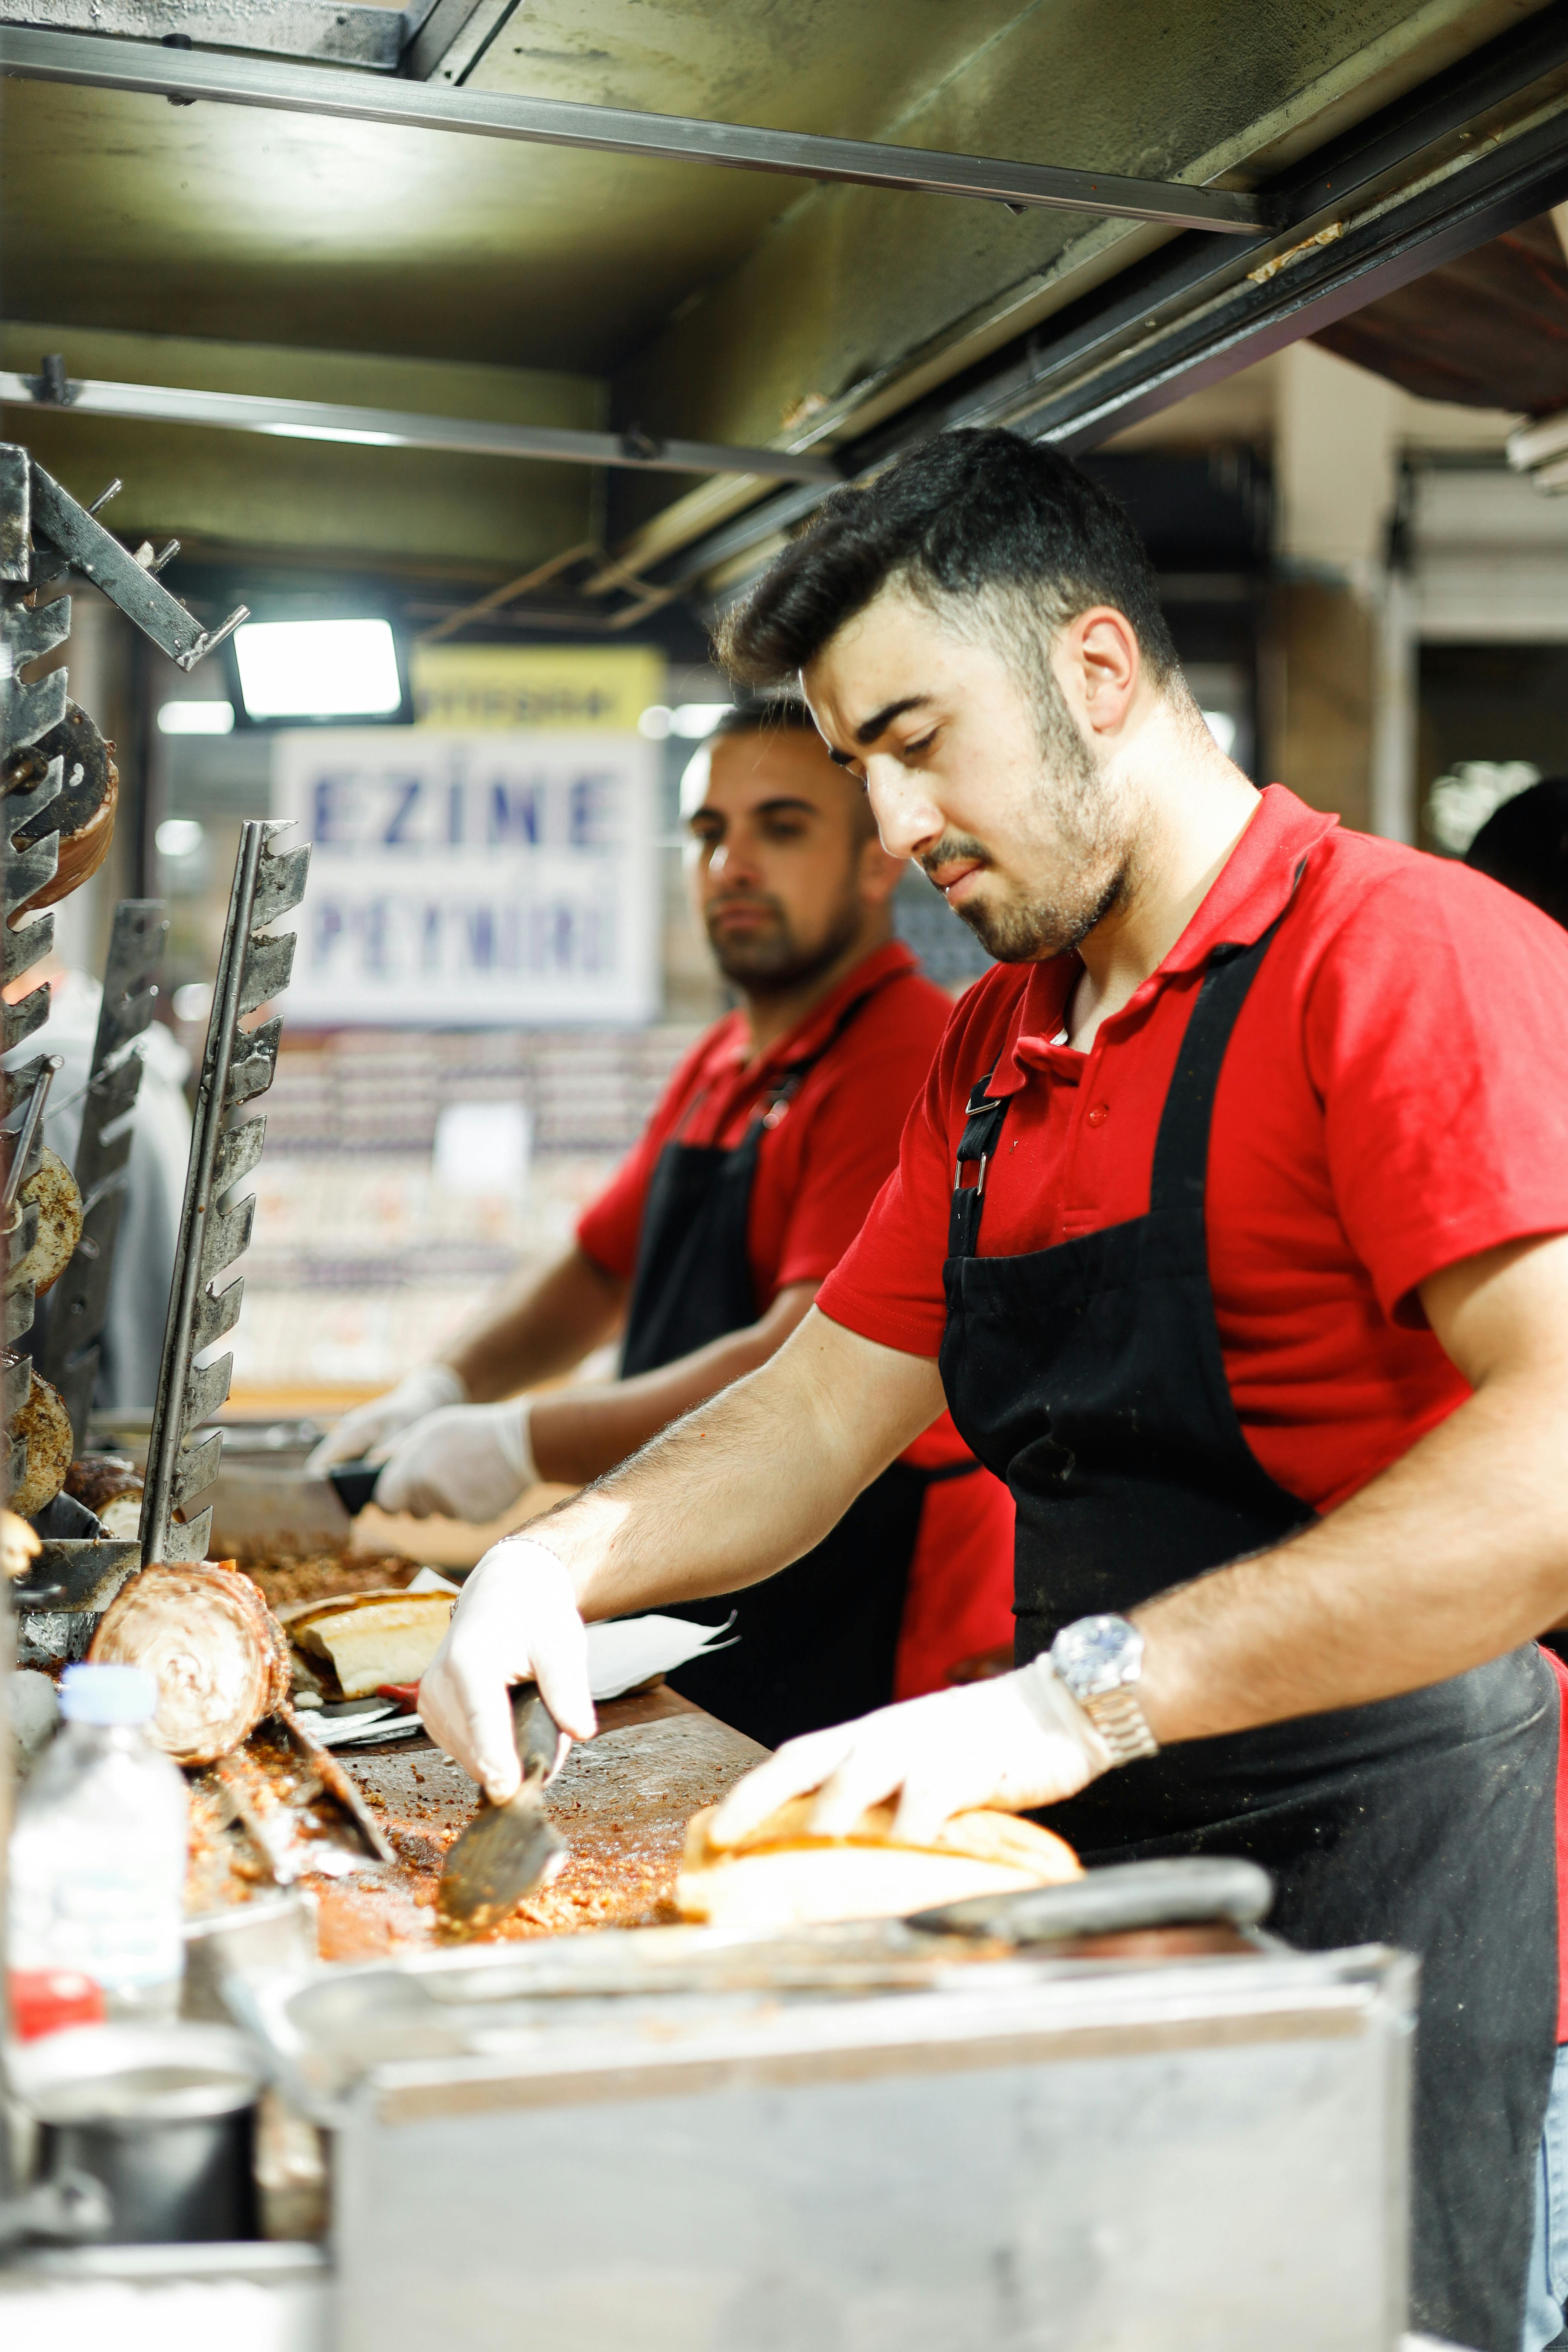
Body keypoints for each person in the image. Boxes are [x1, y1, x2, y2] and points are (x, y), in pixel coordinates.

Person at [415, 430, 1568, 2352]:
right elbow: (808, 1418)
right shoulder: (992, 1045)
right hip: (1112, 1890)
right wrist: (550, 1565)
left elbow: (1547, 1476)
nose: (889, 827)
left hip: (1430, 1927)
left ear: (1095, 673)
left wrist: (1071, 1698)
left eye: (919, 738)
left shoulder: (1402, 960)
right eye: (859, 767)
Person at [314, 699, 1013, 1746]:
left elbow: (798, 1364)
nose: (732, 863)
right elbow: (597, 1270)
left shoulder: (904, 1054)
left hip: (862, 1581)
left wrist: (521, 1441)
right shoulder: (724, 1059)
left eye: (782, 828)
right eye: (709, 833)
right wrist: (449, 1384)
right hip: (717, 1555)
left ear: (879, 862)